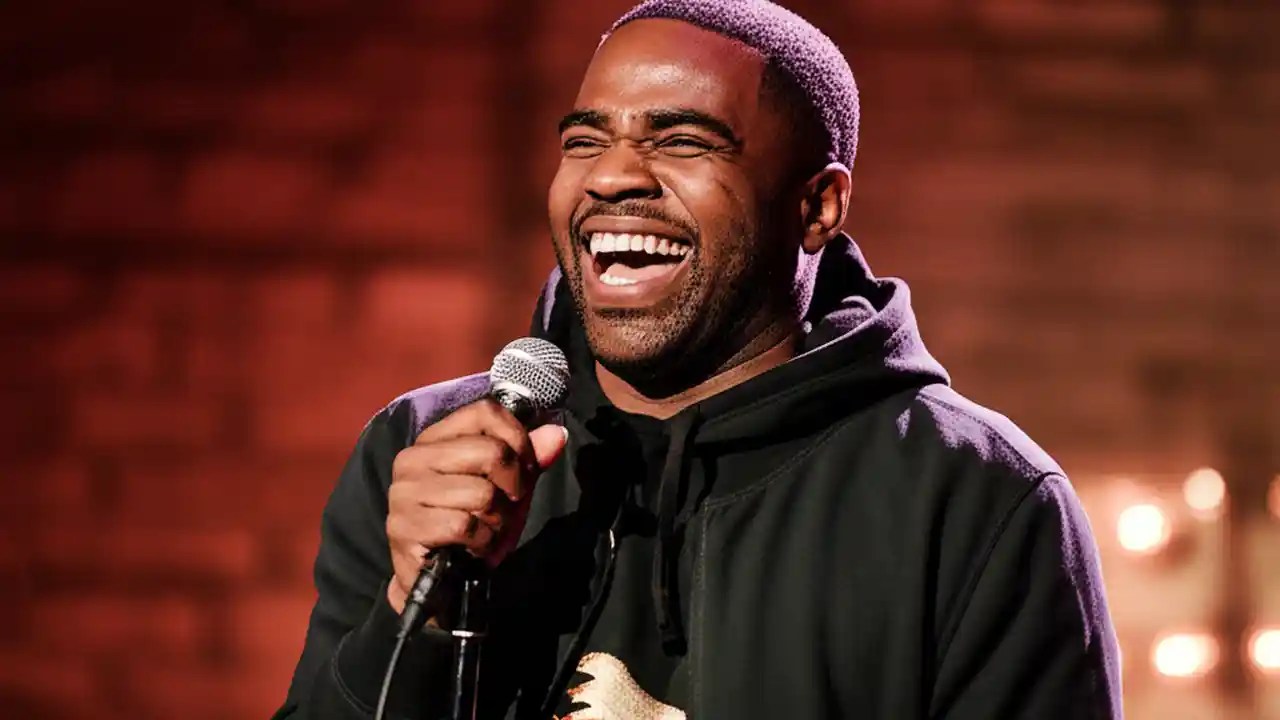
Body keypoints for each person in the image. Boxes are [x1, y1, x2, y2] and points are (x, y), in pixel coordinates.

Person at [274, 1, 1122, 718]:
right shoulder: (425, 450)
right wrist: (411, 618)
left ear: (817, 206)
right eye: (583, 141)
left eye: (681, 141)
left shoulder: (976, 502)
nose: (611, 178)